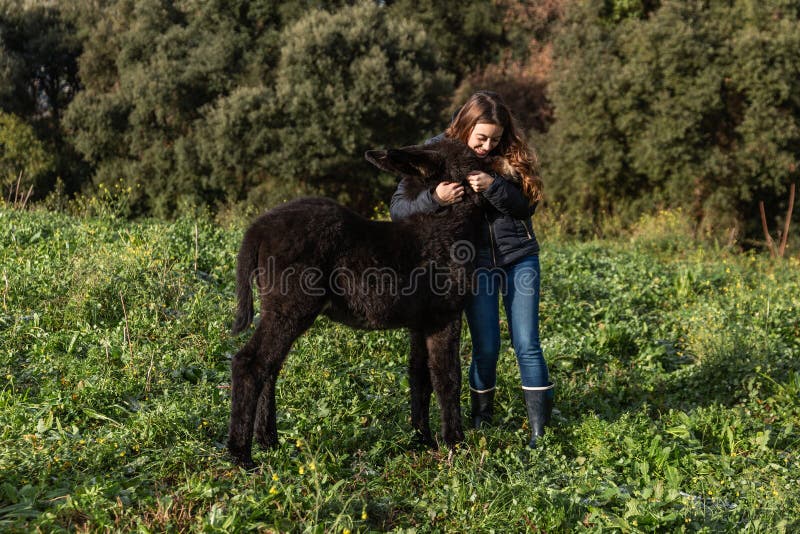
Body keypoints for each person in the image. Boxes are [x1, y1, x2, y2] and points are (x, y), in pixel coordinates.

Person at [389, 91, 553, 448]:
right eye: (481, 138)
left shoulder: (509, 155)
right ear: (465, 126)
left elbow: (526, 207)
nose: (487, 146)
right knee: (486, 347)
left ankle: (540, 433)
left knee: (527, 343)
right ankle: (482, 421)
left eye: (494, 139)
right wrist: (436, 198)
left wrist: (494, 186)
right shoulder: (435, 153)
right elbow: (398, 210)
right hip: (474, 262)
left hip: (519, 257)